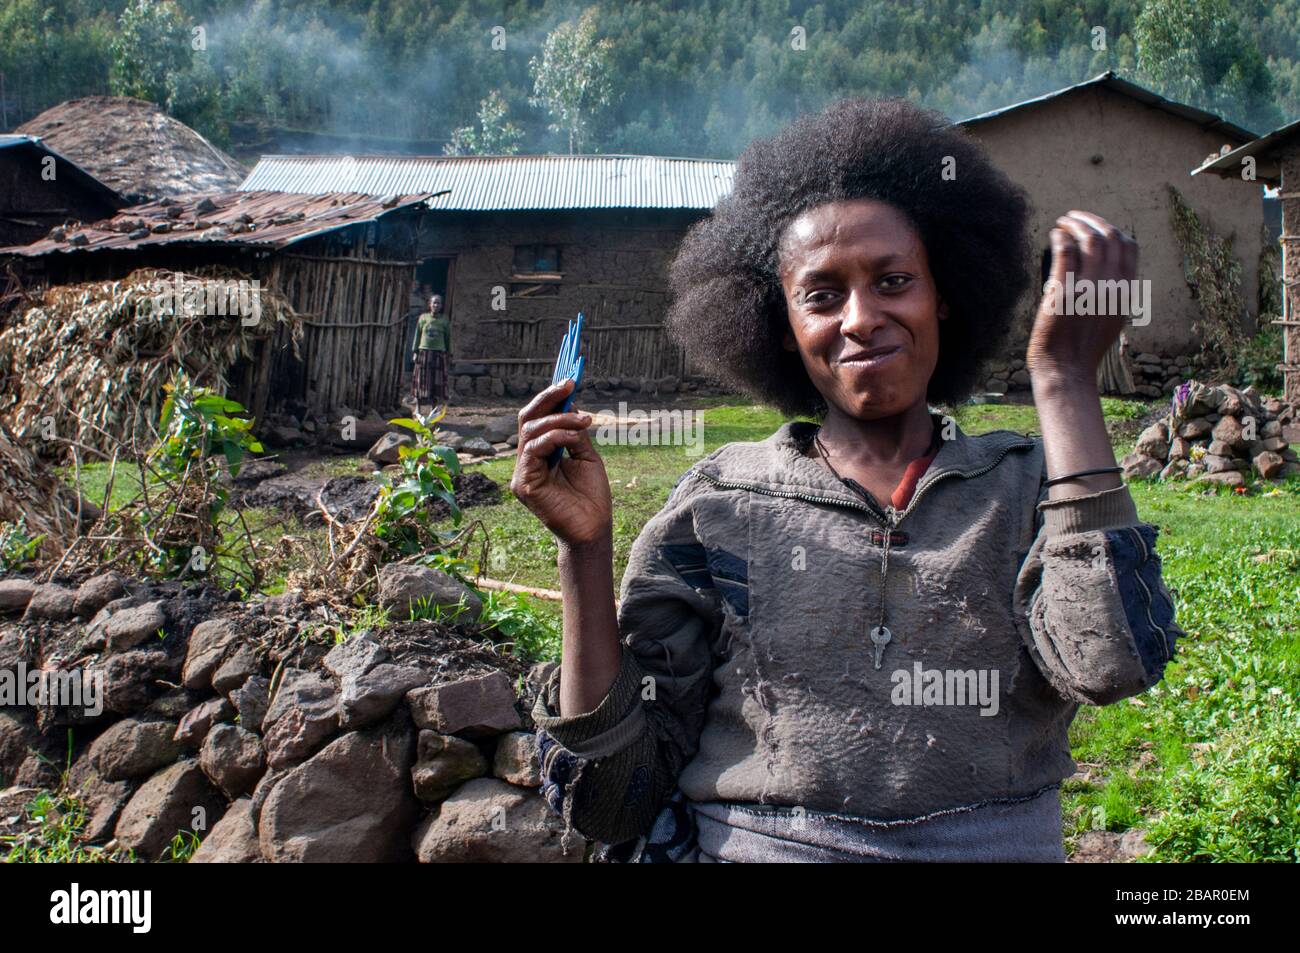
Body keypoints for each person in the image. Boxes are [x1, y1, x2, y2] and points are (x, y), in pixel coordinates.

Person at [510, 97, 1182, 863]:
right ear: (783, 330)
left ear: (946, 295)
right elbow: (613, 794)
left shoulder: (1025, 487)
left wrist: (1064, 381)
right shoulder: (718, 505)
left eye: (894, 281)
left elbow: (1112, 662)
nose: (860, 317)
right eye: (821, 296)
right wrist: (584, 551)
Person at [411, 293, 450, 413]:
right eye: (434, 302)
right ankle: (418, 408)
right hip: (424, 352)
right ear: (430, 304)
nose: (436, 305)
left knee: (436, 382)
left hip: (438, 354)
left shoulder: (444, 320)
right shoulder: (423, 318)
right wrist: (415, 351)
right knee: (420, 380)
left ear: (441, 305)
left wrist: (448, 353)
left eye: (438, 303)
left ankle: (433, 408)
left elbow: (448, 338)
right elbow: (417, 335)